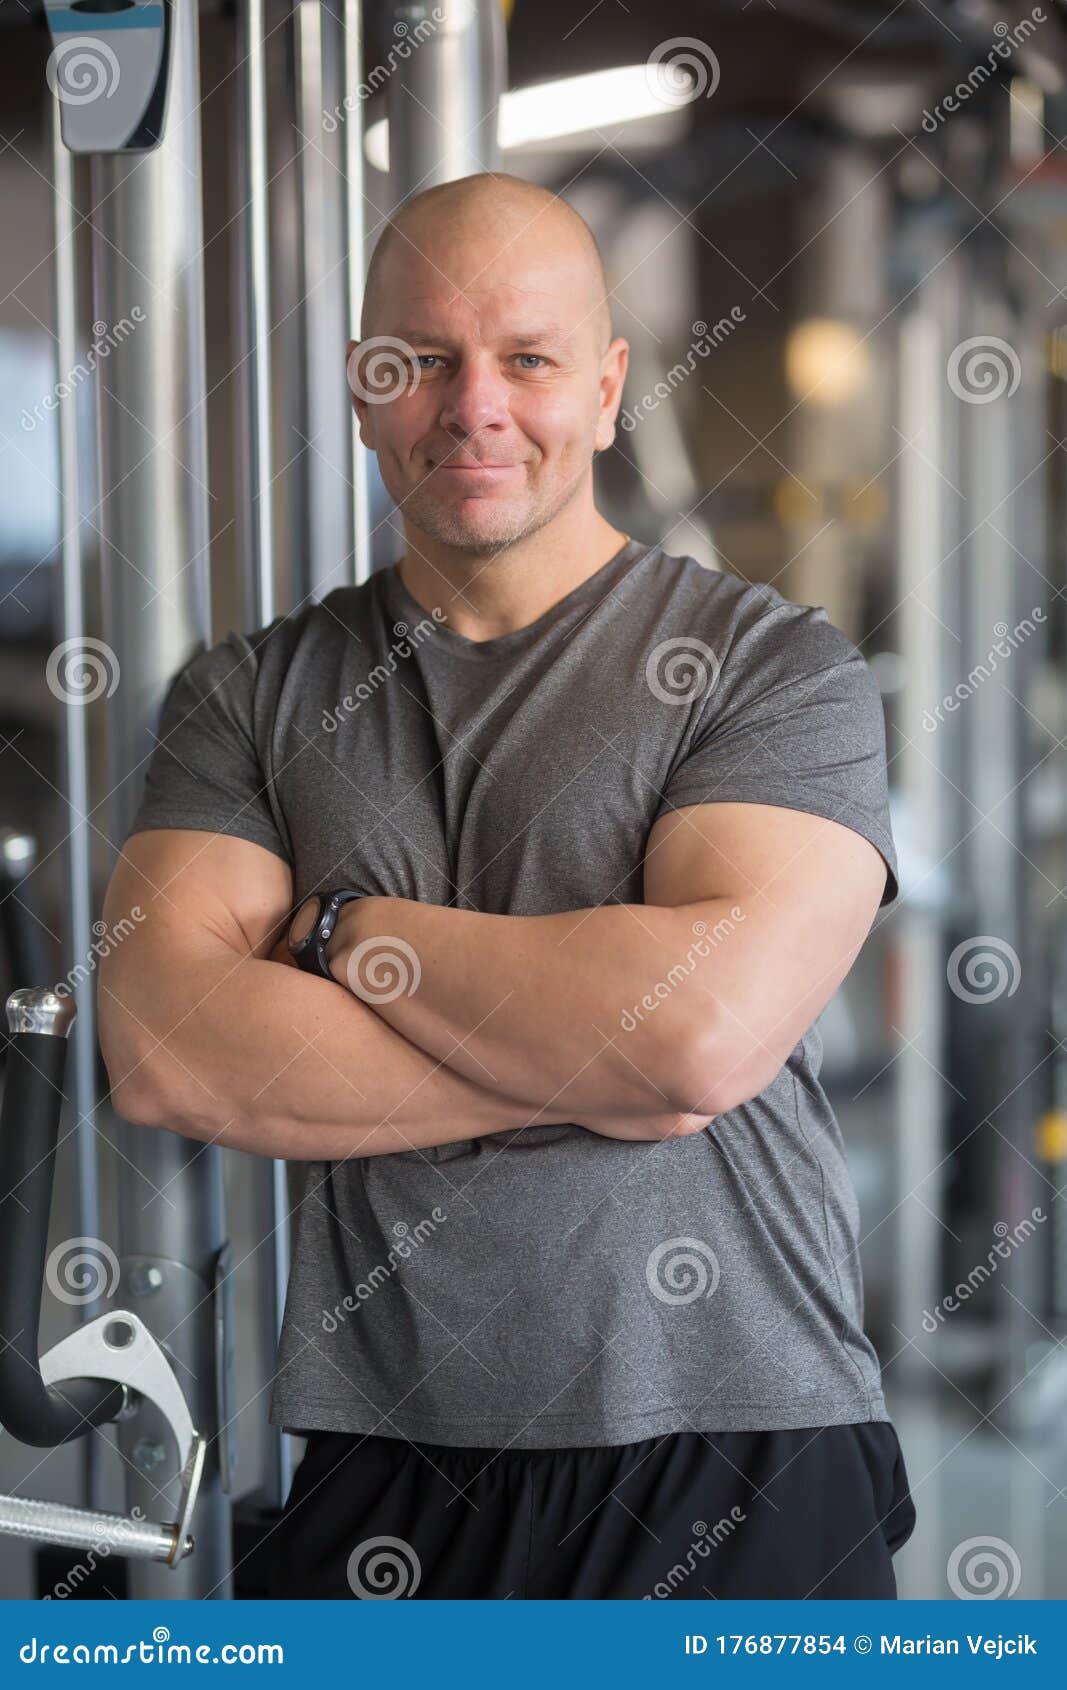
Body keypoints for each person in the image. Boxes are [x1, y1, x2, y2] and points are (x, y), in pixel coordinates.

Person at [98, 171, 916, 1600]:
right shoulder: (250, 695)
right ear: (363, 388)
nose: (473, 405)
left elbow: (695, 1035)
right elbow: (164, 1050)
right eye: (419, 360)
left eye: (527, 359)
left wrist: (357, 934)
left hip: (738, 1436)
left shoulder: (772, 668)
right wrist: (609, 1063)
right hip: (382, 1456)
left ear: (604, 390)